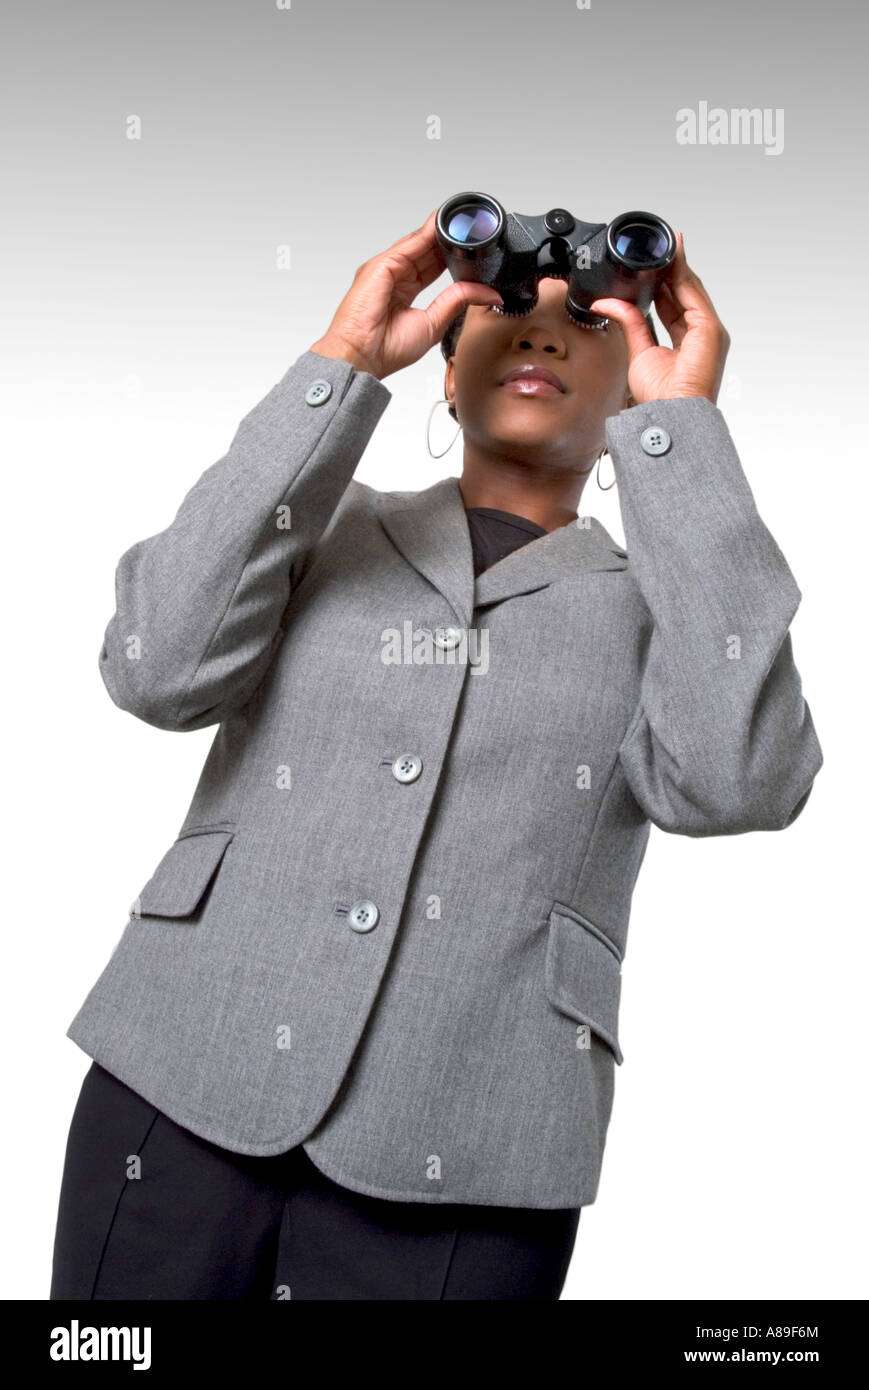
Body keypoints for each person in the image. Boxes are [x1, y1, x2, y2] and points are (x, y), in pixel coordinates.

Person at [50, 208, 823, 1301]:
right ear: (445, 373)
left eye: (589, 320)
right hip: (179, 1081)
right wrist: (341, 362)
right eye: (505, 305)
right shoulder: (315, 526)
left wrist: (684, 434)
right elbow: (153, 664)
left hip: (476, 1134)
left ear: (627, 402)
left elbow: (741, 780)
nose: (542, 331)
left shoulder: (675, 612)